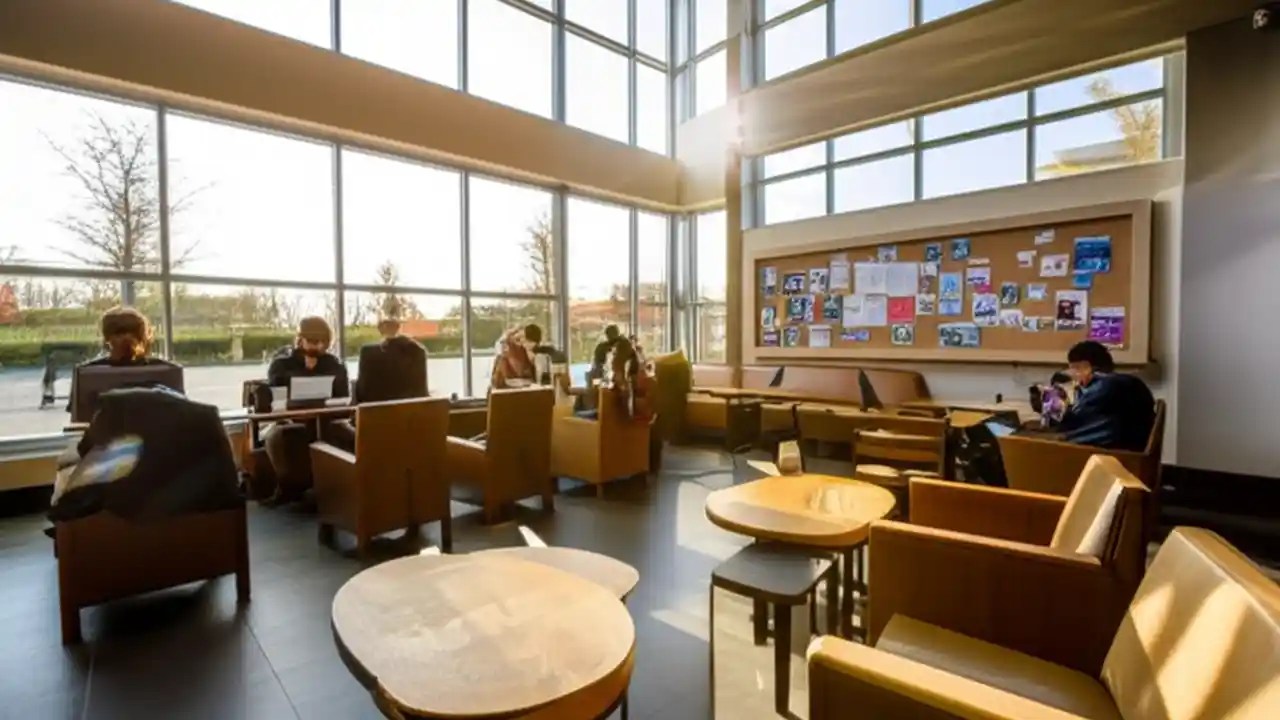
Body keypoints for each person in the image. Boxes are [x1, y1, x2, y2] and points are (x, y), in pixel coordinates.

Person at [260, 317, 349, 504]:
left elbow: (343, 395)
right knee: (290, 434)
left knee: (342, 431)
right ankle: (293, 488)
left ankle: (337, 485)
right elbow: (276, 391)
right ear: (300, 339)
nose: (317, 347)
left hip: (326, 417)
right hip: (292, 418)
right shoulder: (282, 364)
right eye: (312, 341)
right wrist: (306, 372)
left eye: (322, 343)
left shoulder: (333, 363)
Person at [327, 316, 428, 452]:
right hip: (411, 438)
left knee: (335, 427)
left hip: (374, 440)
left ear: (381, 330)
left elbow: (361, 396)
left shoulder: (369, 353)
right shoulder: (418, 352)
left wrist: (354, 389)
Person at [66, 306, 181, 412]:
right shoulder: (167, 370)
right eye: (119, 333)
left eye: (130, 333)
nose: (126, 338)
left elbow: (78, 414)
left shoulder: (87, 372)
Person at [1052, 340, 1156, 451]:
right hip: (1125, 452)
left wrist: (1054, 405)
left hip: (1117, 456)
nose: (1078, 379)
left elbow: (1071, 422)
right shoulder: (1126, 382)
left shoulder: (1107, 385)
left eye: (1077, 369)